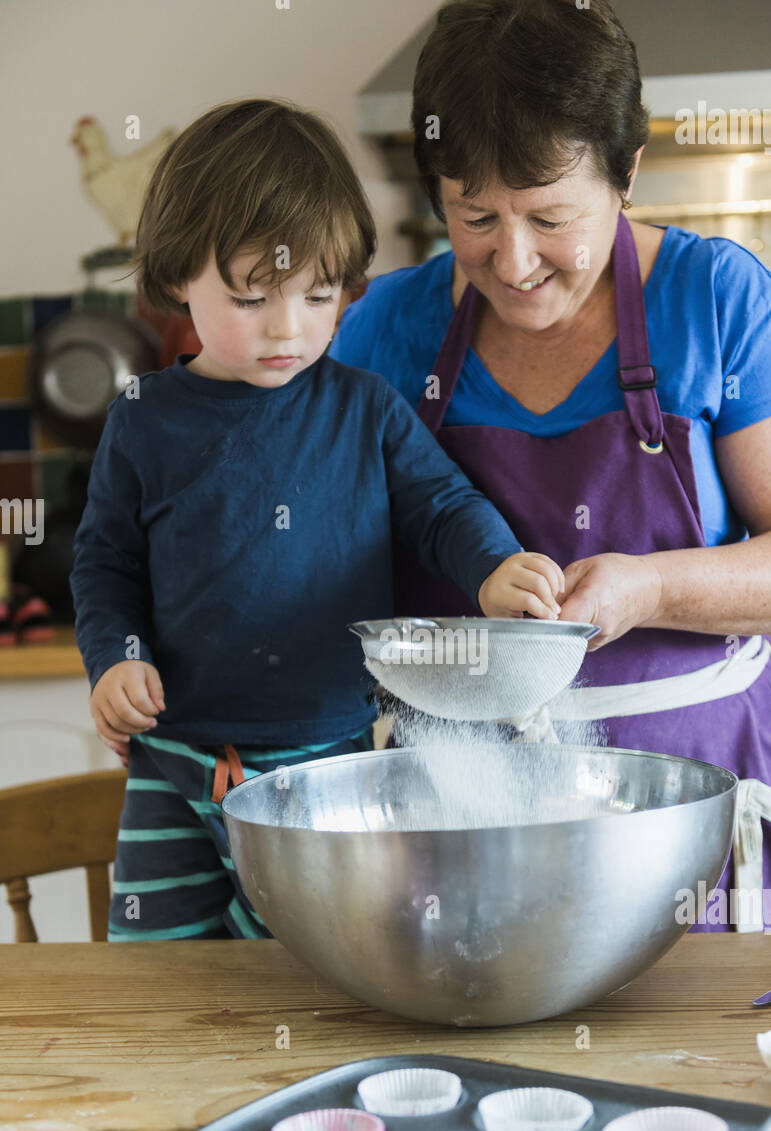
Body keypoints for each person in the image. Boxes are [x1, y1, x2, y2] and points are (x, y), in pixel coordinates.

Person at [330, 0, 771, 933]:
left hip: (703, 804)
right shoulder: (384, 327)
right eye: (476, 216)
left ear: (627, 176)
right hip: (471, 810)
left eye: (549, 216)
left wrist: (646, 590)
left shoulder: (718, 300)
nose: (515, 258)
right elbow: (327, 562)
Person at [71, 98, 564, 942]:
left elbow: (440, 506)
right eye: (250, 297)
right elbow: (104, 565)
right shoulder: (143, 418)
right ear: (177, 275)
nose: (286, 330)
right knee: (154, 978)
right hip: (171, 765)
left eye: (318, 297)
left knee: (311, 972)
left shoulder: (364, 408)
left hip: (326, 766)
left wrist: (490, 567)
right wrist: (114, 662)